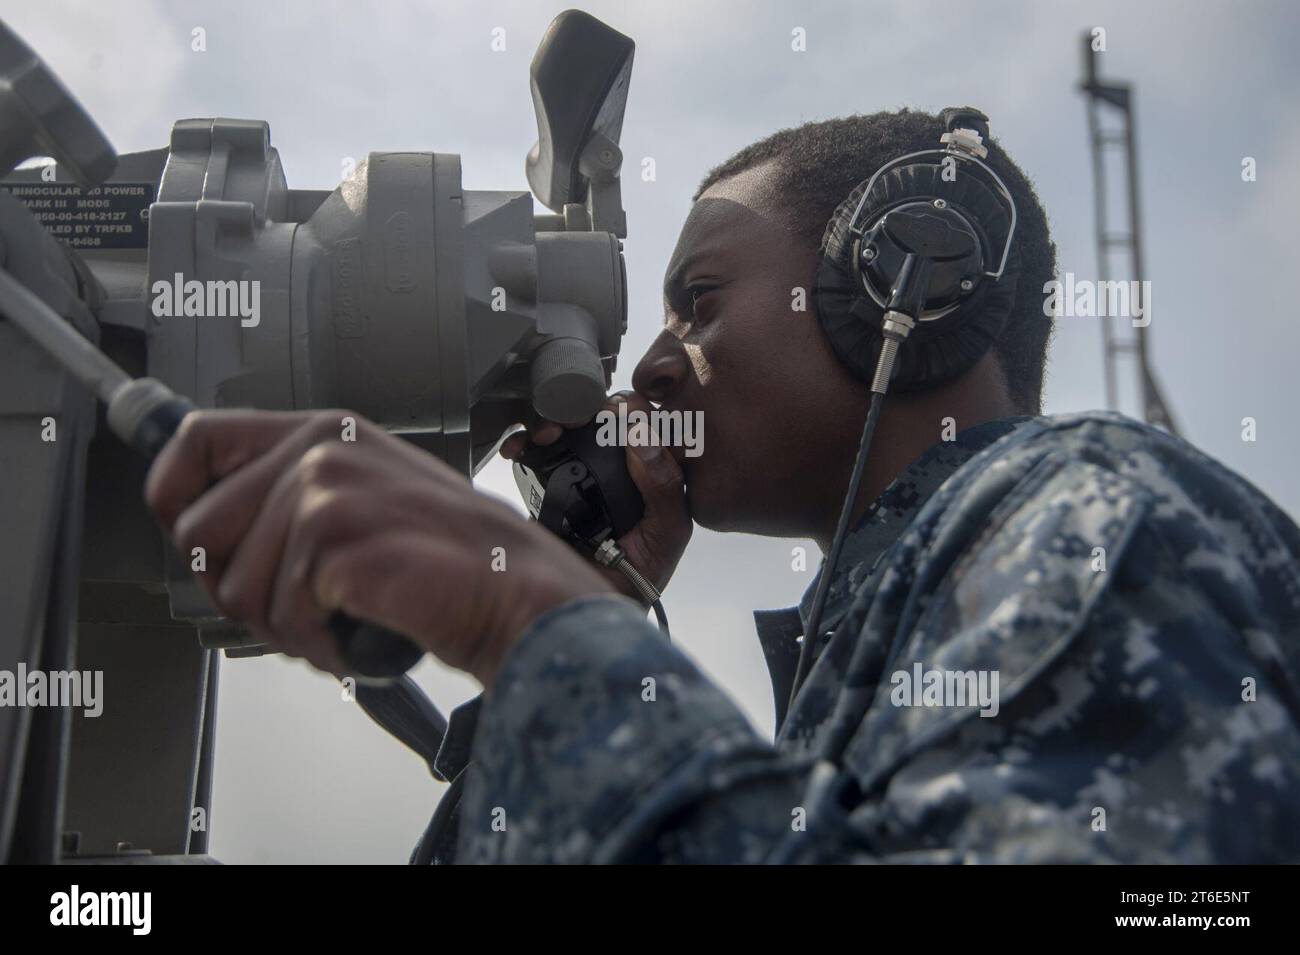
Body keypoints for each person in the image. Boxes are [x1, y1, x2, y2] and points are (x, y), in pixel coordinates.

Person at [144, 109, 1300, 863]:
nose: (649, 367)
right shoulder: (884, 633)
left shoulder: (1092, 515)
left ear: (901, 279)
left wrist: (533, 628)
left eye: (698, 301)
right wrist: (563, 645)